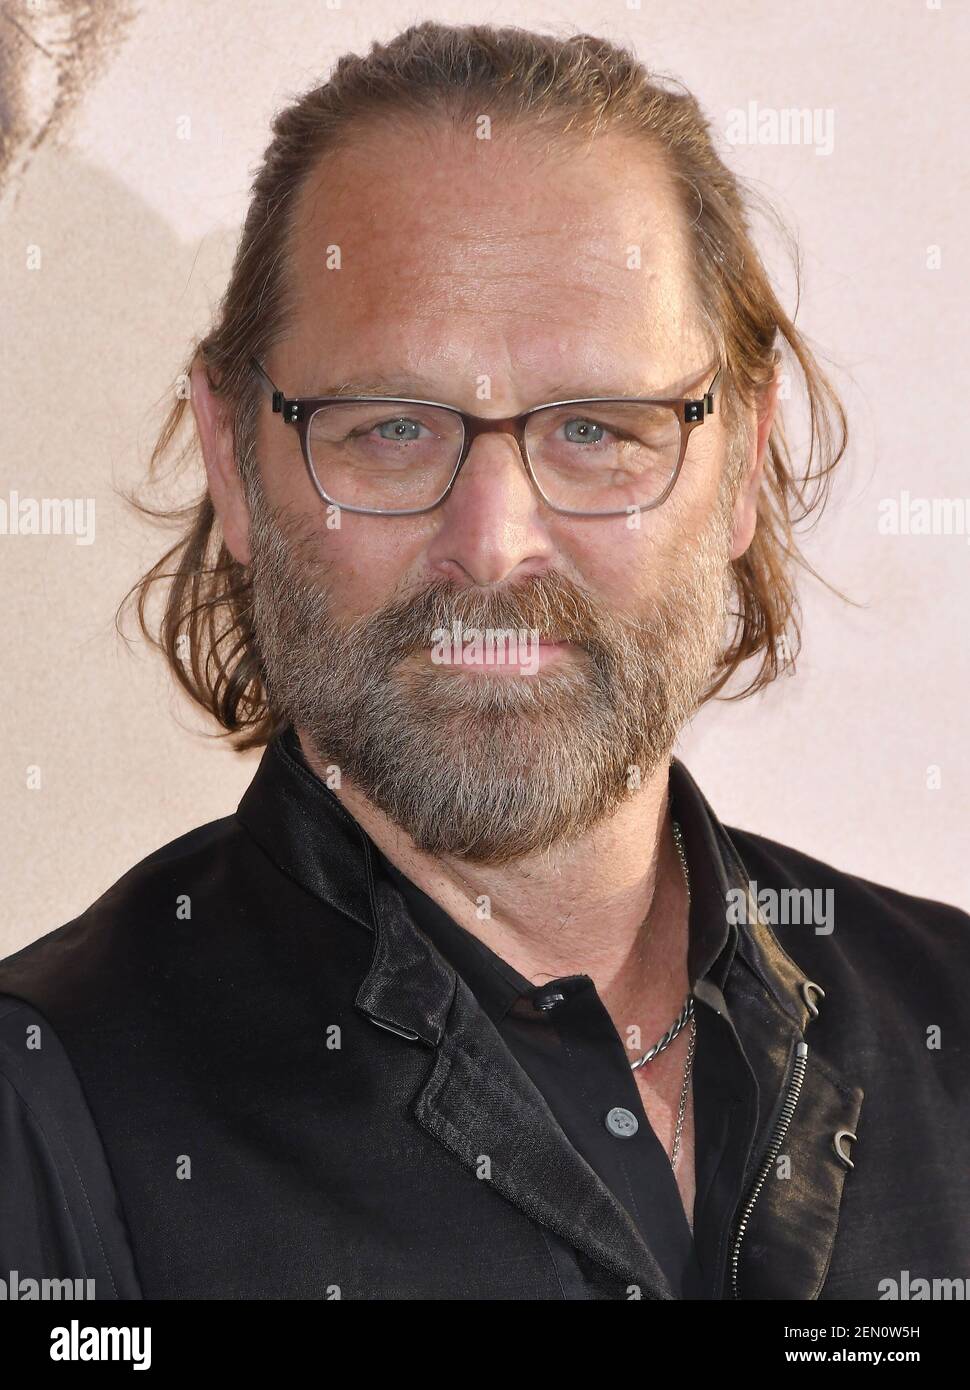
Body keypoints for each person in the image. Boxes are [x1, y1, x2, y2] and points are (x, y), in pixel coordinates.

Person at [1, 21, 967, 1302]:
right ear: (233, 462)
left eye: (596, 429)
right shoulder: (44, 1106)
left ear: (741, 463)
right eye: (391, 428)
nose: (494, 542)